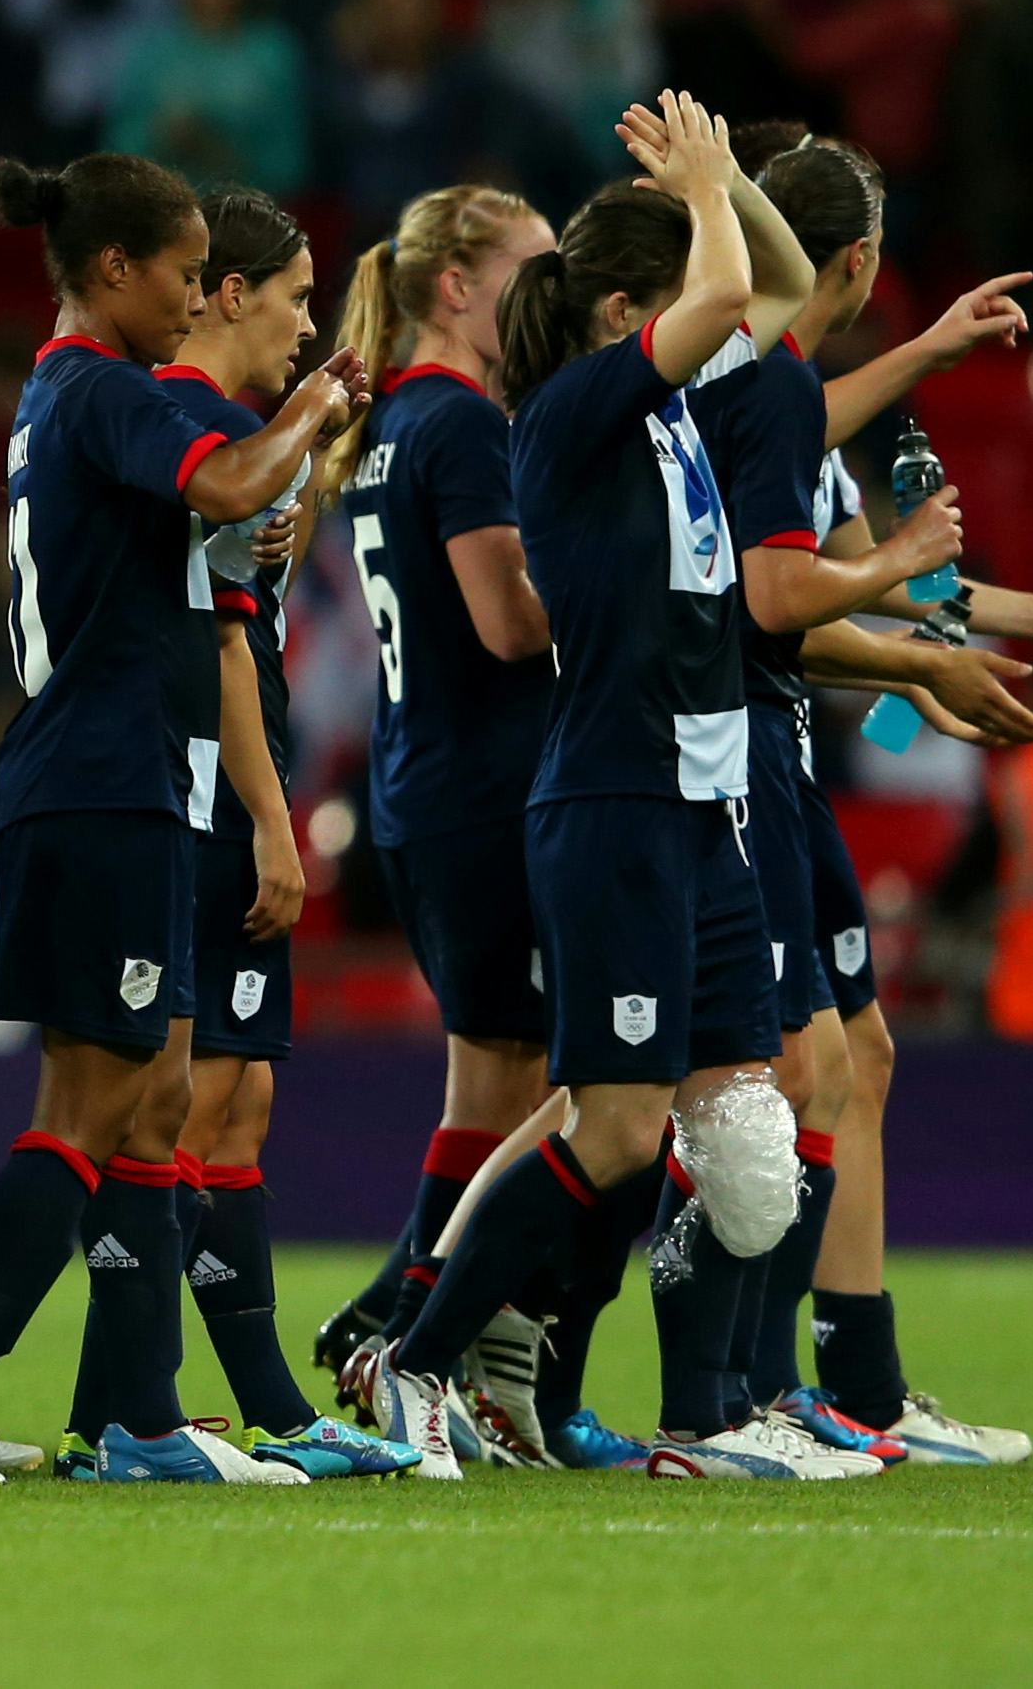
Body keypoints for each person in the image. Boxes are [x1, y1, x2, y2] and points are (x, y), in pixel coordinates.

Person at [344, 93, 884, 1480]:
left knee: (742, 1142)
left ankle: (708, 1420)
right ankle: (408, 1359)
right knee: (615, 1121)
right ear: (614, 315)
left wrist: (721, 189)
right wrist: (708, 187)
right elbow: (725, 285)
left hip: (701, 813)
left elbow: (764, 282)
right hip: (613, 806)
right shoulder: (574, 416)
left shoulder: (676, 414)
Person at [0, 150, 361, 1485]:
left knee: (146, 1106)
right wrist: (315, 408)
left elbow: (198, 526)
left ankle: (141, 1420)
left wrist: (244, 512)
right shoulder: (101, 386)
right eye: (183, 274)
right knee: (92, 1109)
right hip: (101, 777)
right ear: (110, 271)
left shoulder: (69, 396)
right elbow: (221, 484)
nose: (196, 298)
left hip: (104, 775)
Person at [727, 131, 1033, 1465]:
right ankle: (730, 1385)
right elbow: (773, 615)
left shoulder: (797, 402)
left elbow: (874, 572)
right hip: (725, 760)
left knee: (851, 1058)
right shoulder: (751, 397)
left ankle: (852, 1387)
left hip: (785, 761)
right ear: (851, 261)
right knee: (747, 1083)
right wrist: (929, 665)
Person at [310, 186, 591, 1444]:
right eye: (534, 270)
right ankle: (407, 1315)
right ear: (458, 287)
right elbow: (510, 621)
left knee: (489, 1086)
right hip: (491, 788)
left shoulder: (390, 424)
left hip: (420, 786)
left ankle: (421, 1320)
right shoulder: (464, 425)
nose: (554, 295)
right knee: (567, 1086)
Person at [149, 190, 422, 1479]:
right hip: (198, 796)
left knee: (234, 1103)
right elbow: (214, 647)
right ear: (232, 292)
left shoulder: (235, 437)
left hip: (221, 786)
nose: (312, 327)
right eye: (298, 298)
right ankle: (146, 1398)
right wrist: (269, 818)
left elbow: (242, 624)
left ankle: (222, 1400)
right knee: (174, 1109)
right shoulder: (197, 429)